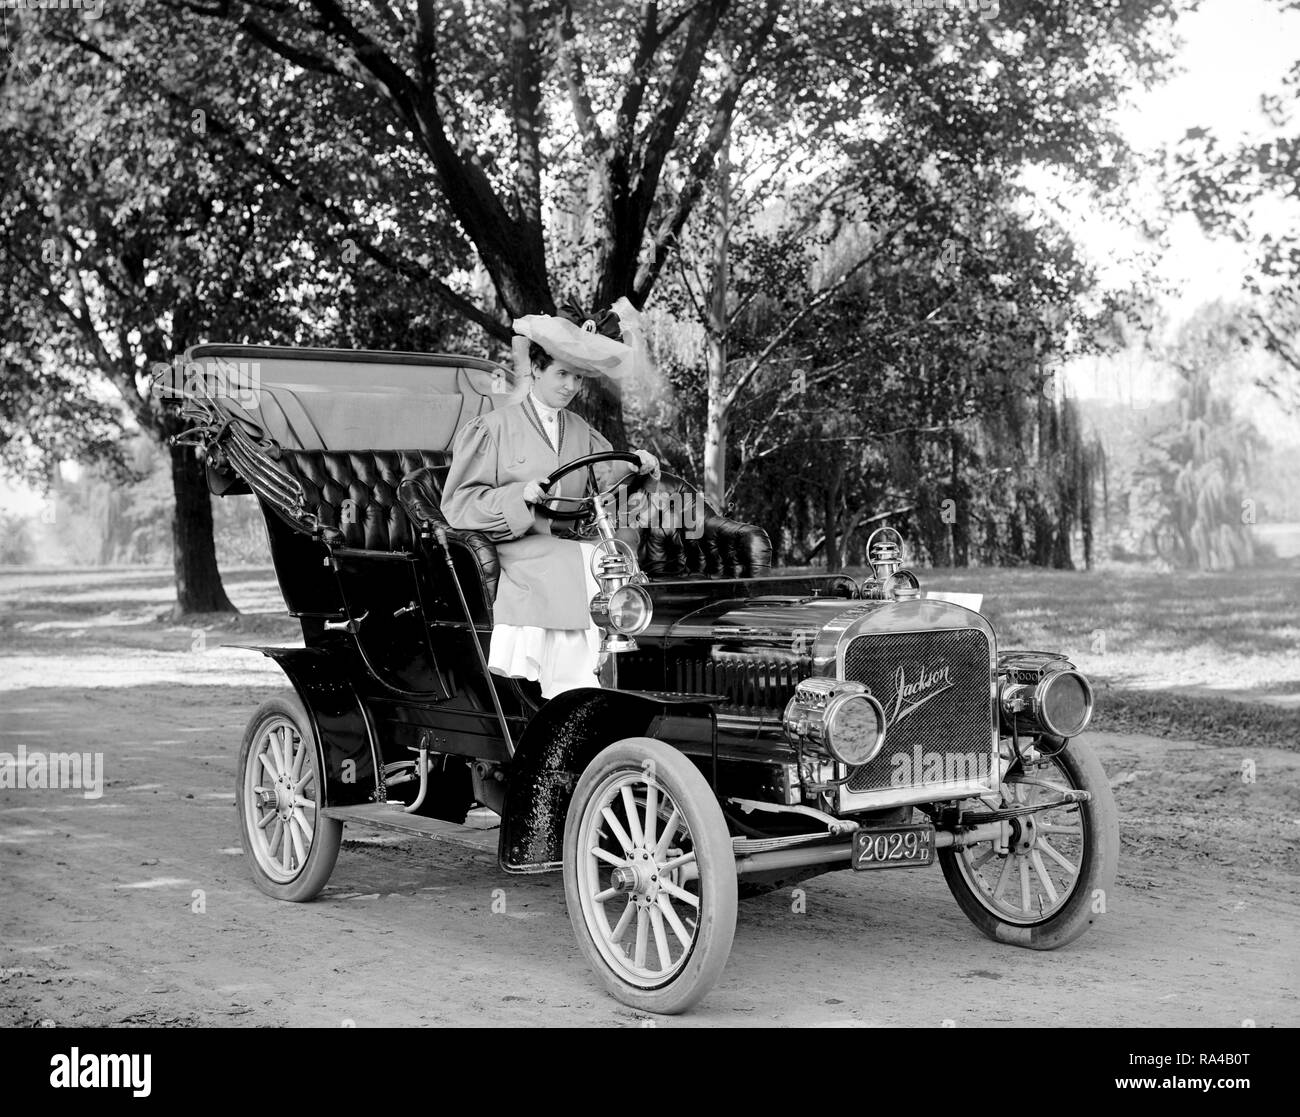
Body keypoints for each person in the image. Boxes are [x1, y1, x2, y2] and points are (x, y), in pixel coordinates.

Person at [440, 299, 659, 699]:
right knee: (574, 562)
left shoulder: (580, 430)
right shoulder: (492, 428)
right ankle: (569, 690)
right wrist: (517, 496)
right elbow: (459, 504)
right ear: (537, 369)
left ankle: (613, 676)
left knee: (607, 558)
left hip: (568, 542)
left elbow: (609, 481)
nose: (570, 387)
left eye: (577, 378)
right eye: (561, 374)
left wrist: (637, 466)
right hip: (518, 546)